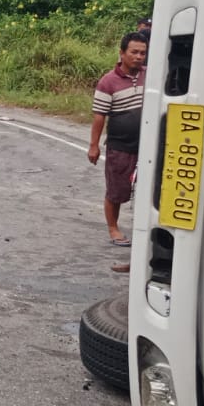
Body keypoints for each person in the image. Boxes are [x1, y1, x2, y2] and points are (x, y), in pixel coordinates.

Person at [87, 30, 149, 247]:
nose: (139, 57)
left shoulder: (150, 75)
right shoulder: (108, 82)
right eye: (134, 52)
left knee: (147, 189)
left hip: (147, 146)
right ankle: (113, 228)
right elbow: (99, 117)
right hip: (120, 145)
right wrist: (93, 146)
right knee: (117, 189)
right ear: (122, 53)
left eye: (142, 53)